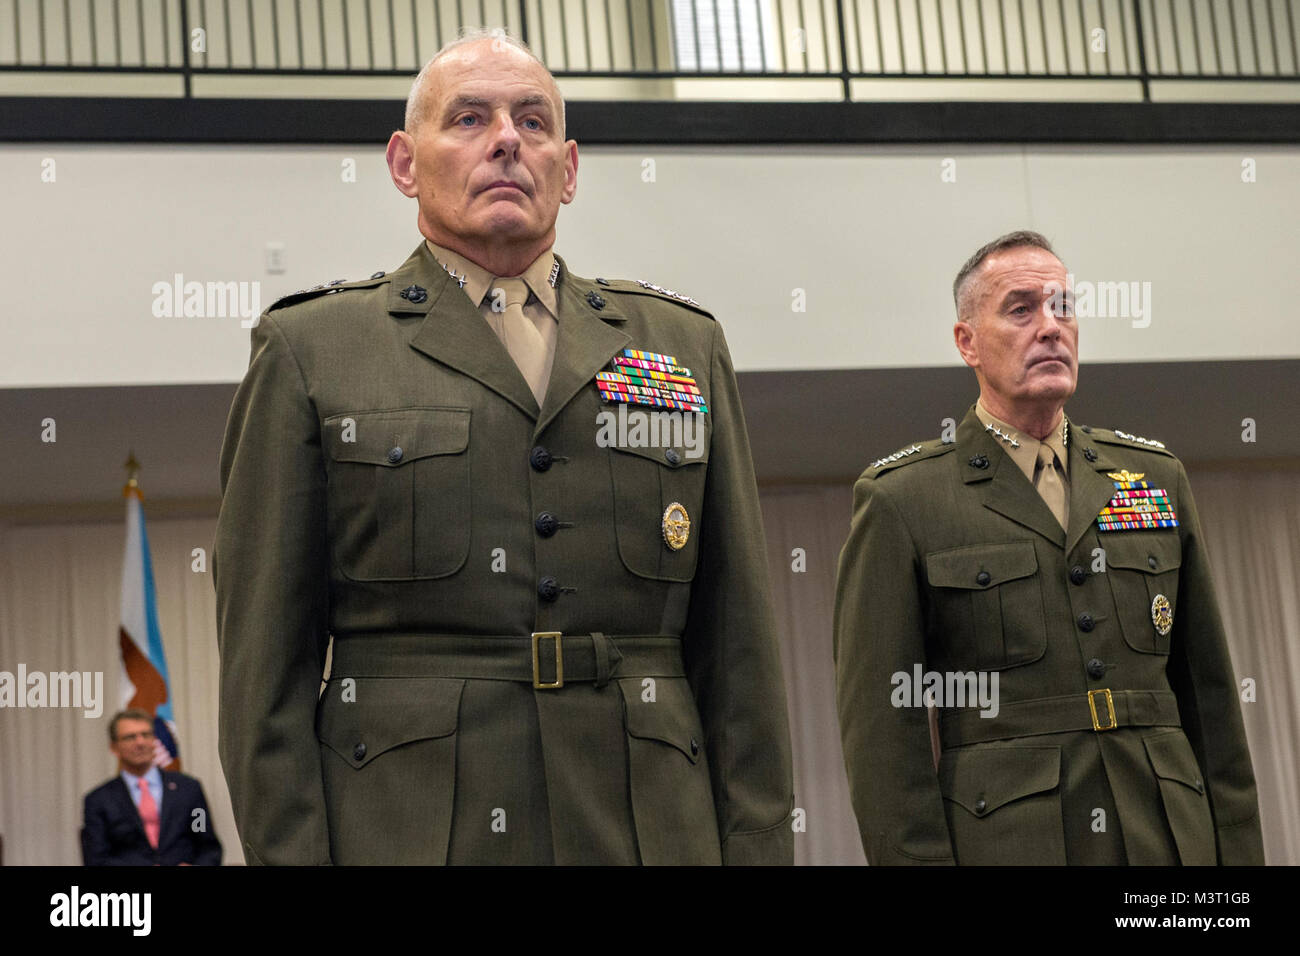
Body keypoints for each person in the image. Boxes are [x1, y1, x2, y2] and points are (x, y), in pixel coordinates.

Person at [212, 30, 793, 865]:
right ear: (406, 164)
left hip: (646, 828)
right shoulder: (315, 350)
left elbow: (739, 648)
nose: (508, 140)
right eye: (470, 118)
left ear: (571, 166)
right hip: (409, 829)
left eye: (533, 120)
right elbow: (263, 669)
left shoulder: (678, 345)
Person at [833, 230, 1265, 865]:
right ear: (967, 342)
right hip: (1011, 843)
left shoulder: (1152, 478)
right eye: (1021, 308)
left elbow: (1212, 702)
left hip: (1165, 842)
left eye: (1063, 306)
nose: (1051, 327)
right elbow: (883, 743)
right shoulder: (905, 499)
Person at [81, 709, 222, 866]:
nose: (140, 742)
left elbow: (208, 846)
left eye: (146, 735)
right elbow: (95, 859)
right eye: (130, 737)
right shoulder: (98, 800)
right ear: (114, 747)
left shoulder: (189, 790)